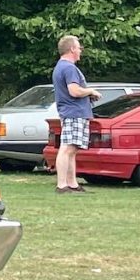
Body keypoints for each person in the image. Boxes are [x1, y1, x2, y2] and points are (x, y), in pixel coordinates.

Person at [53, 34, 98, 194]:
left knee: (72, 149)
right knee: (67, 149)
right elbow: (74, 91)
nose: (80, 50)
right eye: (79, 47)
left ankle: (72, 184)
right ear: (72, 49)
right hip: (74, 112)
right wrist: (91, 91)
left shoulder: (61, 66)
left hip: (71, 112)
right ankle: (62, 185)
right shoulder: (69, 67)